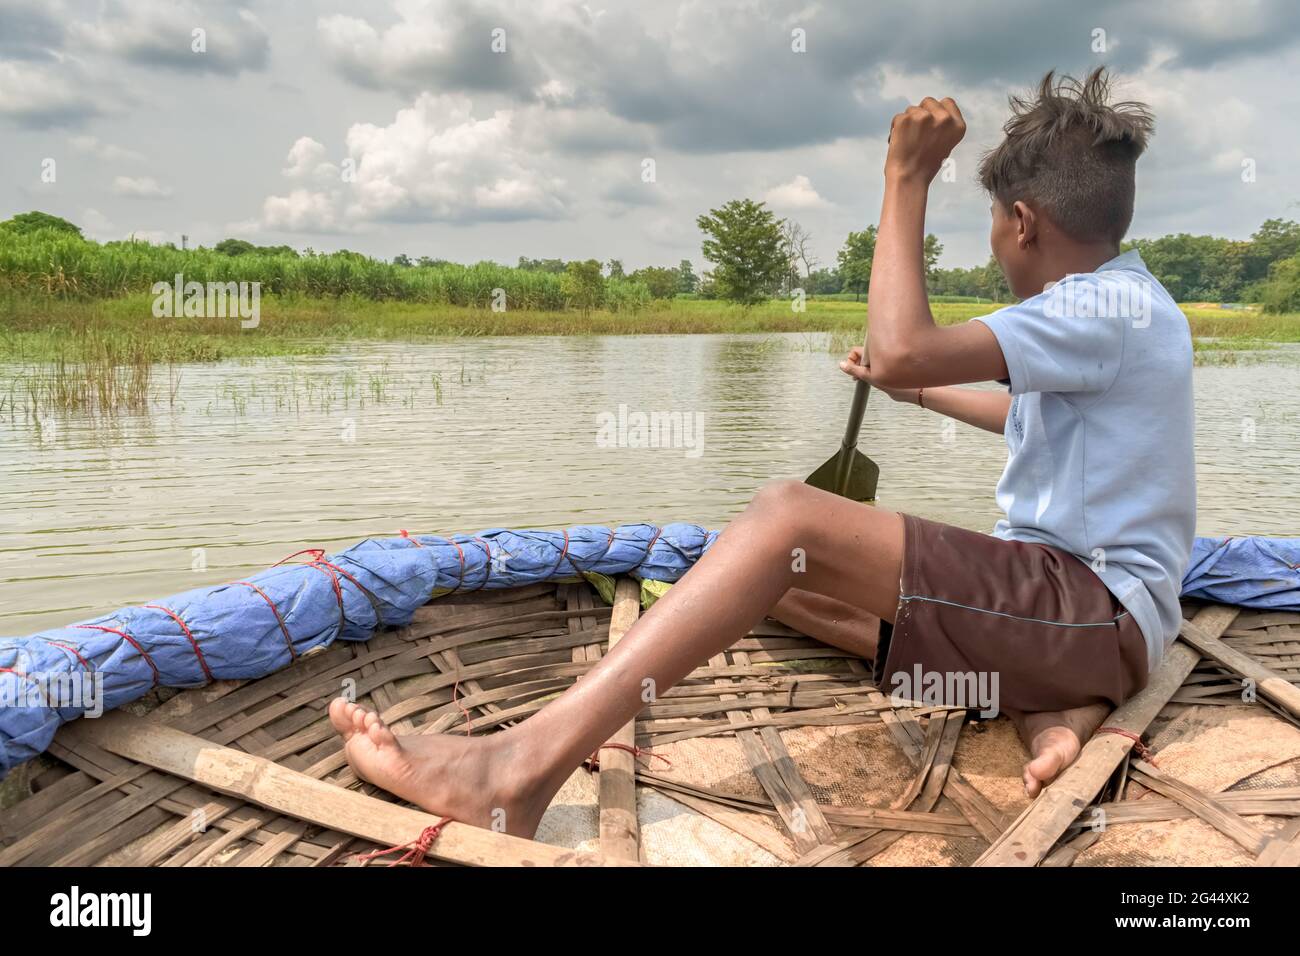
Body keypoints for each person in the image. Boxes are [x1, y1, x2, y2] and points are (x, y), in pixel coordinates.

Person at [329, 67, 1195, 837]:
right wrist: (916, 391)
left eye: (994, 231)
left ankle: (515, 769)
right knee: (759, 575)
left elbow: (899, 343)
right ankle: (1052, 695)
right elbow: (1018, 420)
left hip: (1088, 606)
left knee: (786, 519)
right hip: (1076, 617)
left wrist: (905, 178)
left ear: (1022, 222)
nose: (995, 247)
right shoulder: (1121, 306)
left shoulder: (1099, 311)